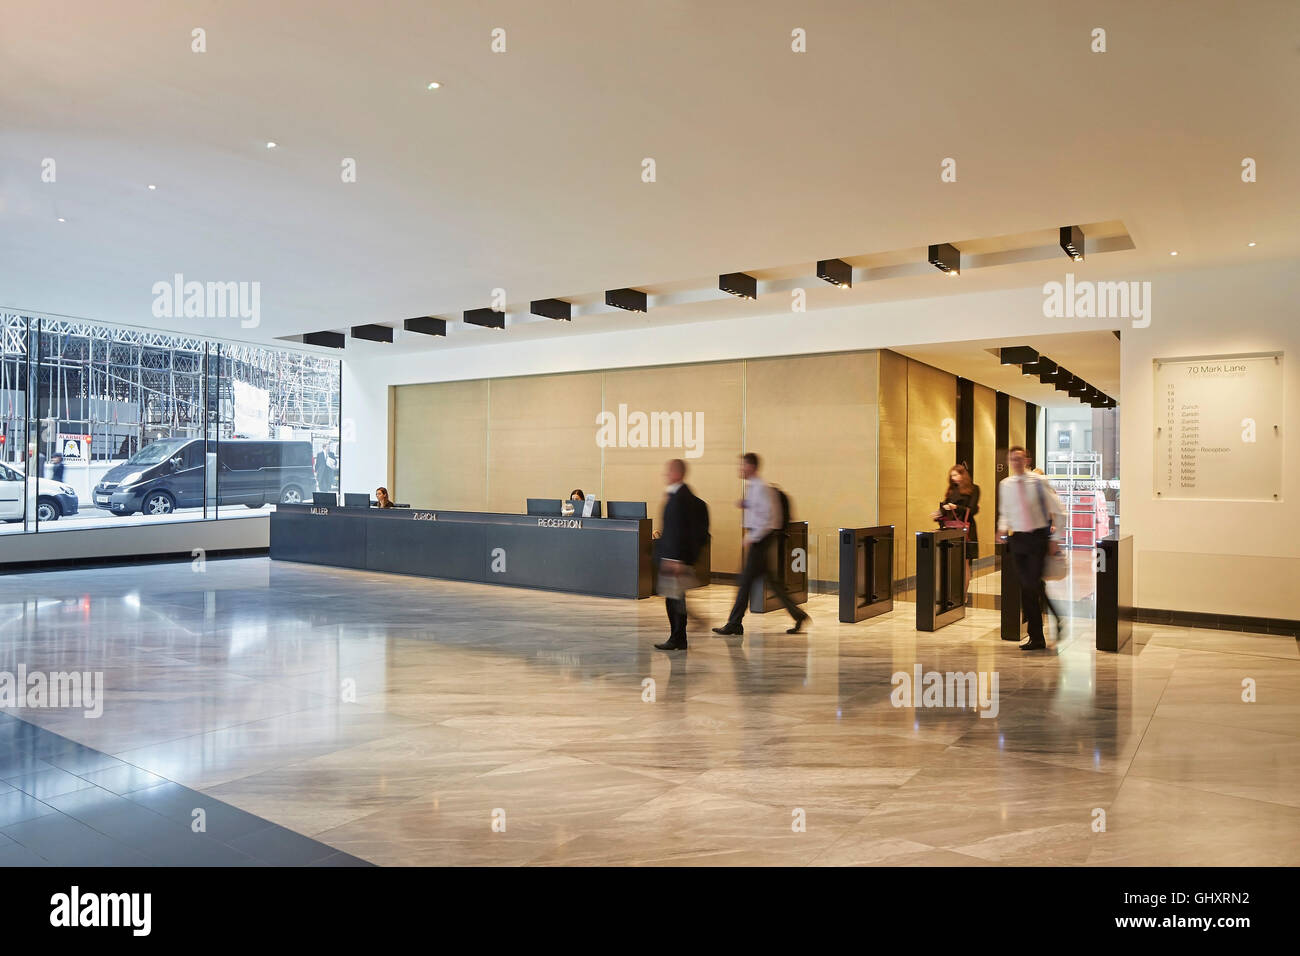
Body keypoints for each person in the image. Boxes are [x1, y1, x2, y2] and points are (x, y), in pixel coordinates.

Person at [712, 452, 810, 637]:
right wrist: (747, 504)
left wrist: (752, 537)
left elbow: (769, 518)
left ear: (751, 467)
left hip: (760, 540)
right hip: (759, 539)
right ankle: (798, 615)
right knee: (772, 583)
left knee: (745, 582)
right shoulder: (754, 488)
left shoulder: (761, 488)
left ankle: (734, 623)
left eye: (743, 465)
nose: (739, 468)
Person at [997, 445, 1066, 650]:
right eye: (1012, 459)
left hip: (1037, 539)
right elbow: (1004, 511)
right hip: (1017, 540)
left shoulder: (1038, 482)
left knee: (1030, 586)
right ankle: (1040, 634)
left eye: (1019, 459)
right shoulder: (1005, 485)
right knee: (1029, 588)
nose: (1016, 463)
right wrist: (1001, 529)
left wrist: (1055, 539)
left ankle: (1038, 634)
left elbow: (1059, 511)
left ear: (1026, 460)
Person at [654, 459, 707, 651]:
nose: (665, 475)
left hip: (675, 559)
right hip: (674, 557)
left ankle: (678, 637)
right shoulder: (679, 495)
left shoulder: (681, 498)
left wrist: (675, 559)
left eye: (668, 471)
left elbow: (681, 530)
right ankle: (679, 637)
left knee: (675, 599)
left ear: (677, 473)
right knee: (675, 598)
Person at [932, 463, 979, 593]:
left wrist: (956, 507)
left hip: (967, 529)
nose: (953, 478)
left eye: (955, 475)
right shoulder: (951, 490)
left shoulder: (973, 489)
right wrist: (939, 512)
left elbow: (973, 509)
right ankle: (952, 593)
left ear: (963, 475)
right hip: (950, 529)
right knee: (950, 562)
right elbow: (945, 508)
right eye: (951, 476)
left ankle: (963, 594)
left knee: (965, 563)